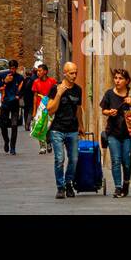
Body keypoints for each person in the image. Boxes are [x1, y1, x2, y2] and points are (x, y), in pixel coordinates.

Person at [100, 67, 131, 197]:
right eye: (115, 78)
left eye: (120, 78)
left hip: (129, 133)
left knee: (126, 161)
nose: (117, 81)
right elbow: (103, 110)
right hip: (112, 133)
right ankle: (117, 187)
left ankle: (126, 183)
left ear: (127, 81)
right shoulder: (109, 94)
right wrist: (109, 112)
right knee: (116, 160)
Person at [46, 62, 83, 199]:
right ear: (65, 73)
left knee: (74, 159)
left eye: (76, 73)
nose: (74, 76)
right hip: (57, 129)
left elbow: (79, 109)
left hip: (72, 129)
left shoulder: (78, 90)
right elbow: (50, 110)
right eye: (71, 73)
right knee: (59, 159)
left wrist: (81, 125)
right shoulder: (55, 88)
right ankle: (60, 187)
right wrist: (59, 94)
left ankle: (68, 183)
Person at [30, 63, 58, 154]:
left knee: (49, 126)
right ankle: (42, 147)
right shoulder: (36, 82)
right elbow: (34, 97)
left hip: (50, 106)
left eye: (40, 71)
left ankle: (48, 142)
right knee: (40, 126)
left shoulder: (52, 81)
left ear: (45, 72)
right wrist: (34, 111)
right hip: (40, 107)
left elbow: (56, 94)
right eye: (37, 71)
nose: (38, 72)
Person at [0, 60, 23, 154]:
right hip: (5, 103)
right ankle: (6, 141)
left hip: (15, 104)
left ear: (16, 68)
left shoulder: (19, 77)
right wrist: (5, 82)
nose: (12, 70)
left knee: (14, 125)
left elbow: (22, 89)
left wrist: (18, 96)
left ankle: (13, 147)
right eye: (11, 68)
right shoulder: (3, 76)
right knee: (3, 125)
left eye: (14, 68)